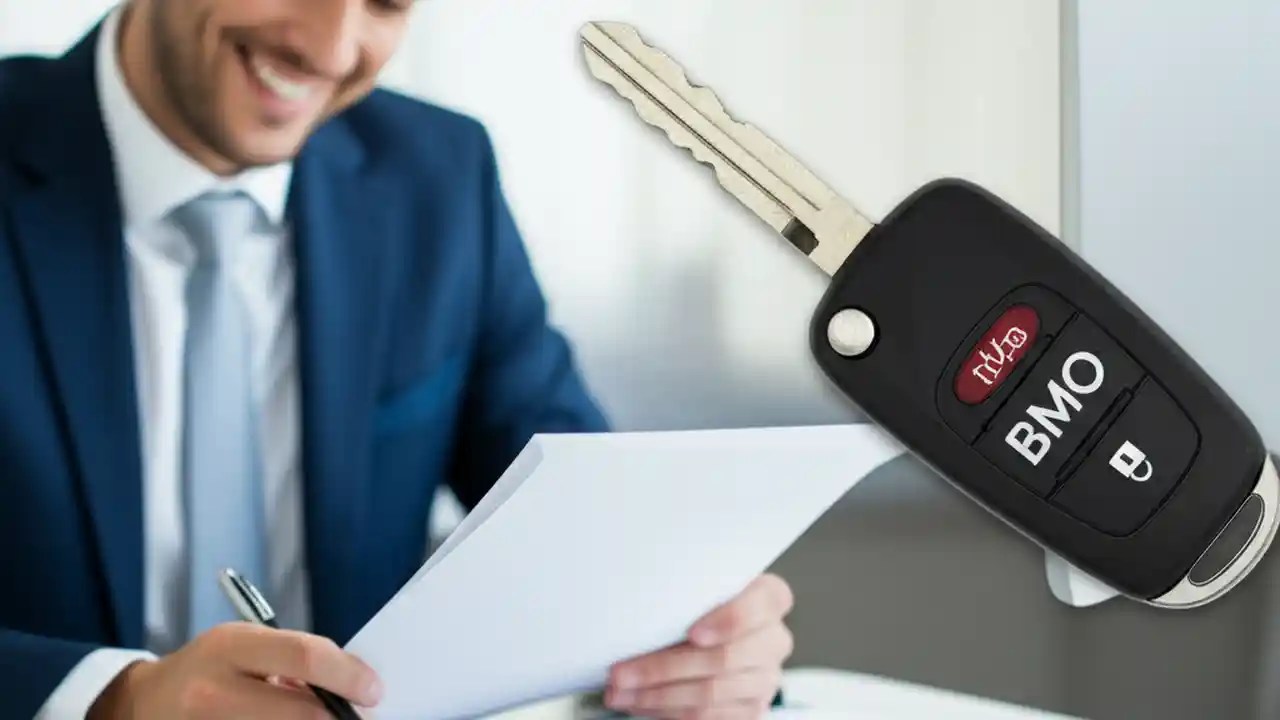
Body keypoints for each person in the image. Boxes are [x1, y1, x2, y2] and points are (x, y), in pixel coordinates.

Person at [0, 1, 796, 718]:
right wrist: (115, 700)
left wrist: (701, 635)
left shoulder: (439, 177)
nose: (334, 46)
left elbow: (581, 515)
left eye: (385, 2)